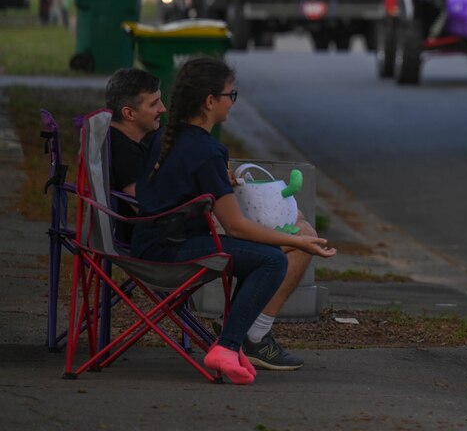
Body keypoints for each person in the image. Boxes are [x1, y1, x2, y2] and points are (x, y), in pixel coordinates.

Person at [132, 57, 337, 384]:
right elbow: (238, 226)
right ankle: (229, 345)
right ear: (210, 101)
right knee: (270, 260)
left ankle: (236, 340)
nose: (233, 102)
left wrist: (217, 180)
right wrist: (298, 242)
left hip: (146, 243)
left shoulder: (165, 137)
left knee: (258, 255)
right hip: (173, 253)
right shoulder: (208, 151)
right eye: (231, 95)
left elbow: (177, 186)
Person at [105, 69, 166, 242]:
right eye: (154, 104)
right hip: (152, 244)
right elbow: (147, 209)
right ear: (129, 113)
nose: (163, 108)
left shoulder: (114, 139)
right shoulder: (125, 153)